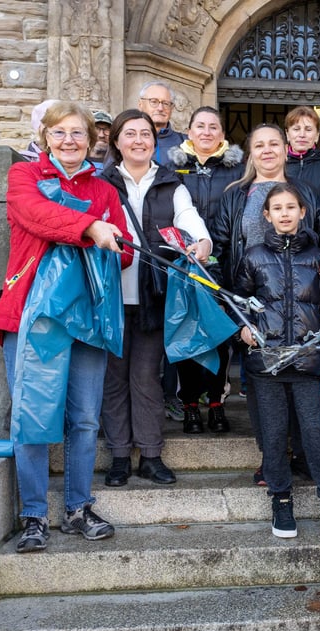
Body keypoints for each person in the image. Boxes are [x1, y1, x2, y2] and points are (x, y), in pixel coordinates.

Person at [0, 101, 131, 553]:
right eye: (59, 133)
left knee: (85, 418)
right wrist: (91, 227)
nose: (69, 141)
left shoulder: (104, 188)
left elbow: (125, 249)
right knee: (32, 413)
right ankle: (33, 514)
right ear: (45, 138)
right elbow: (35, 215)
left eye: (78, 133)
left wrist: (112, 238)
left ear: (92, 140)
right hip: (31, 314)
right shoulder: (24, 176)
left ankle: (77, 508)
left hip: (87, 316)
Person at [211, 123, 320, 485]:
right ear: (250, 153)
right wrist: (227, 300)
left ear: (285, 149)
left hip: (299, 302)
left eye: (274, 144)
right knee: (261, 388)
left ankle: (301, 455)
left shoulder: (306, 193)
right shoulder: (236, 195)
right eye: (259, 145)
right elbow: (219, 247)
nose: (267, 150)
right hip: (253, 304)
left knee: (302, 386)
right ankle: (272, 458)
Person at [99, 109, 213, 487]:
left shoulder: (170, 184)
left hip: (153, 296)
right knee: (113, 378)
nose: (139, 140)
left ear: (155, 140)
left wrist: (203, 243)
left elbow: (190, 220)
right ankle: (119, 456)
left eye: (145, 134)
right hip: (110, 296)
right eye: (130, 134)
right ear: (116, 141)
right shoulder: (101, 184)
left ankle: (150, 454)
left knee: (147, 377)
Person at [235, 183, 320, 541]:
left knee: (315, 434)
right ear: (266, 215)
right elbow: (238, 303)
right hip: (266, 363)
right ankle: (281, 500)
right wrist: (243, 329)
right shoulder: (253, 257)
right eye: (277, 208)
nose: (284, 214)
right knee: (272, 435)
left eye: (290, 207)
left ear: (302, 212)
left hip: (307, 362)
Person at [170, 106, 246, 434]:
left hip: (223, 263)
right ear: (189, 132)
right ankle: (189, 404)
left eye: (213, 127)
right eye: (199, 126)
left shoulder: (238, 170)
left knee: (220, 337)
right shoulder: (171, 168)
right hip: (183, 263)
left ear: (222, 134)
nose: (206, 132)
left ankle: (216, 402)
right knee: (186, 334)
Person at [284, 106, 320, 216]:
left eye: (308, 130)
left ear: (317, 135)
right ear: (287, 134)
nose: (302, 135)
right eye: (296, 129)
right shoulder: (278, 166)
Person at [137, 80, 185, 165]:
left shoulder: (185, 143)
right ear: (140, 105)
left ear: (172, 108)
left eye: (166, 103)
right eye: (154, 102)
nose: (160, 108)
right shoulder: (127, 141)